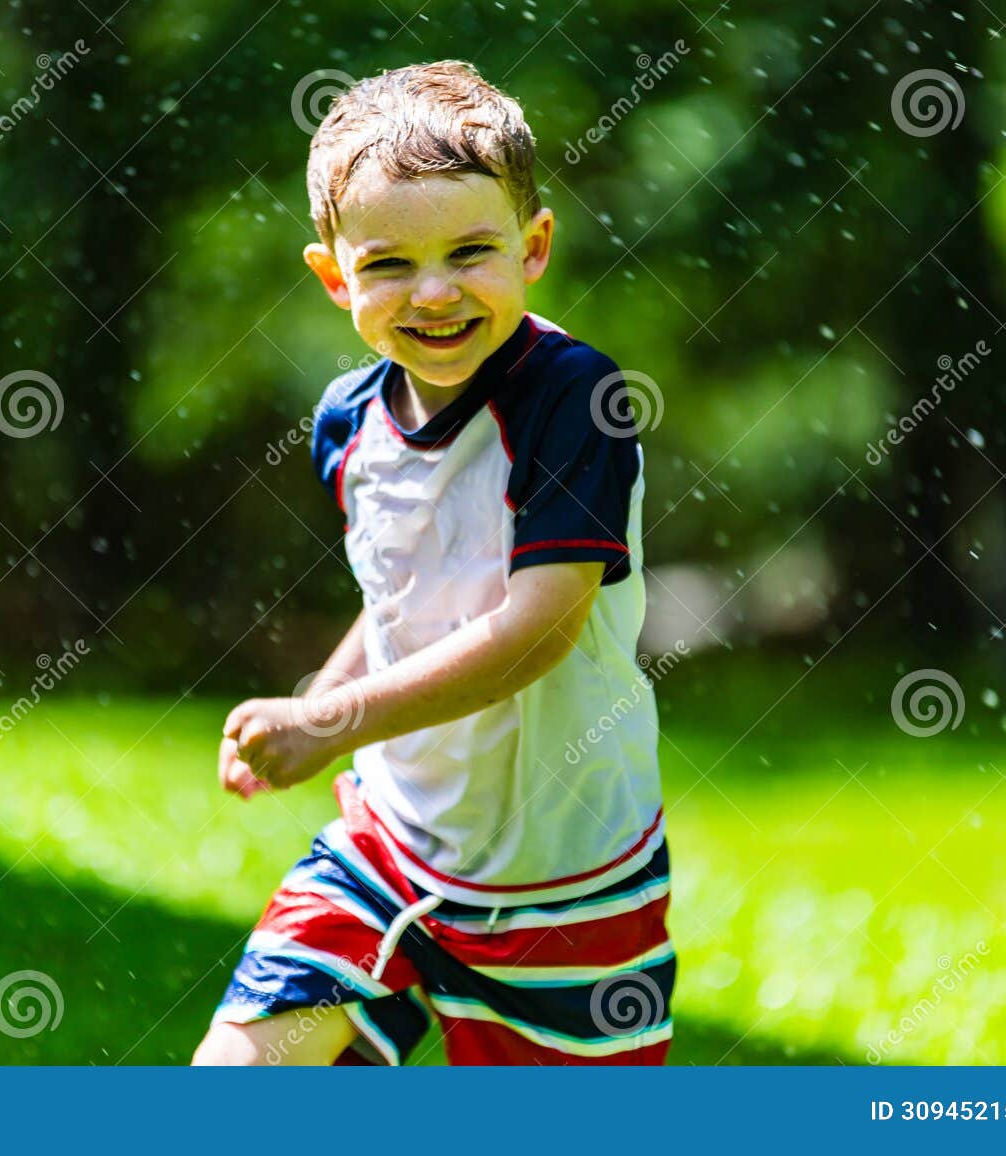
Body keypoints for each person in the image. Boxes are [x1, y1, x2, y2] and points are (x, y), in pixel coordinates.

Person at [193, 60, 671, 1066]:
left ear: (533, 246)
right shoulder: (345, 423)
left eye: (469, 251)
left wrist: (331, 719)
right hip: (386, 849)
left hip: (567, 879)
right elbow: (400, 594)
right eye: (389, 265)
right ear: (334, 276)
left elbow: (537, 630)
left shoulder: (571, 398)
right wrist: (322, 703)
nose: (436, 292)